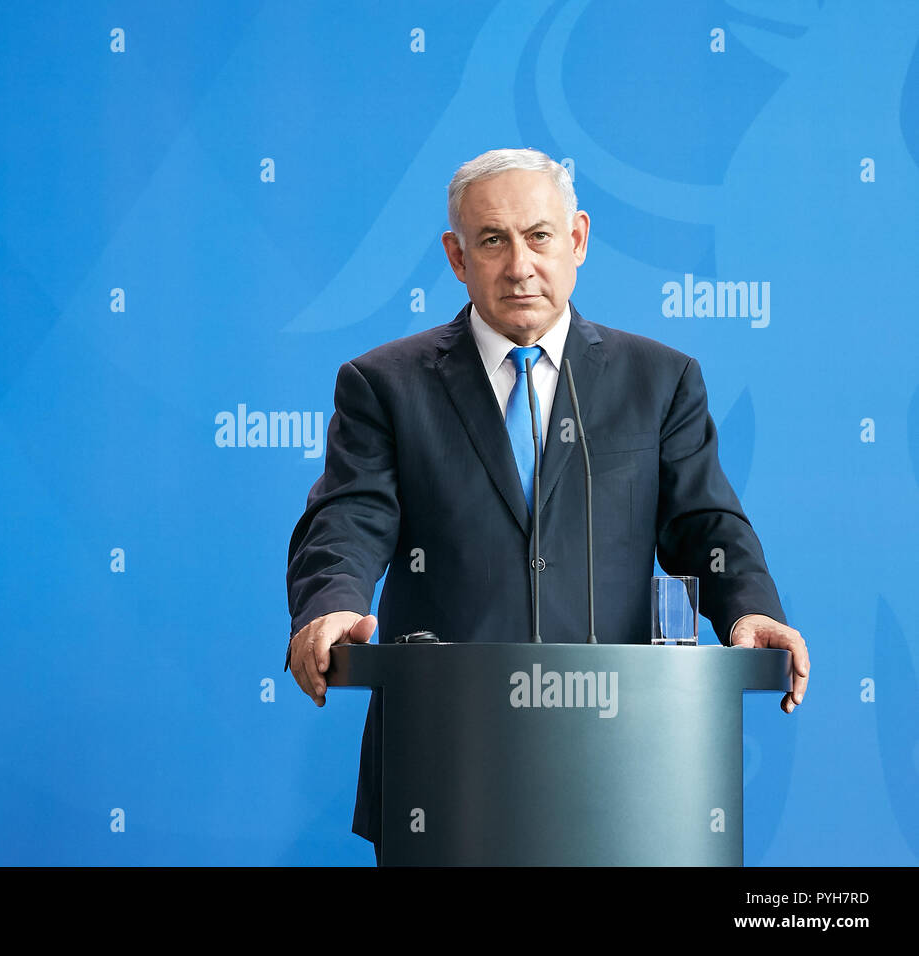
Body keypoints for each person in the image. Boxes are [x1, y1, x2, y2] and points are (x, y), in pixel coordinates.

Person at [283, 147, 810, 858]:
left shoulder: (659, 380)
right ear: (456, 256)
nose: (519, 264)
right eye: (492, 240)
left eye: (539, 236)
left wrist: (751, 608)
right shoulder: (385, 385)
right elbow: (348, 517)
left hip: (624, 763)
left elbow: (703, 523)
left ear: (578, 240)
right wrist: (332, 601)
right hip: (445, 768)